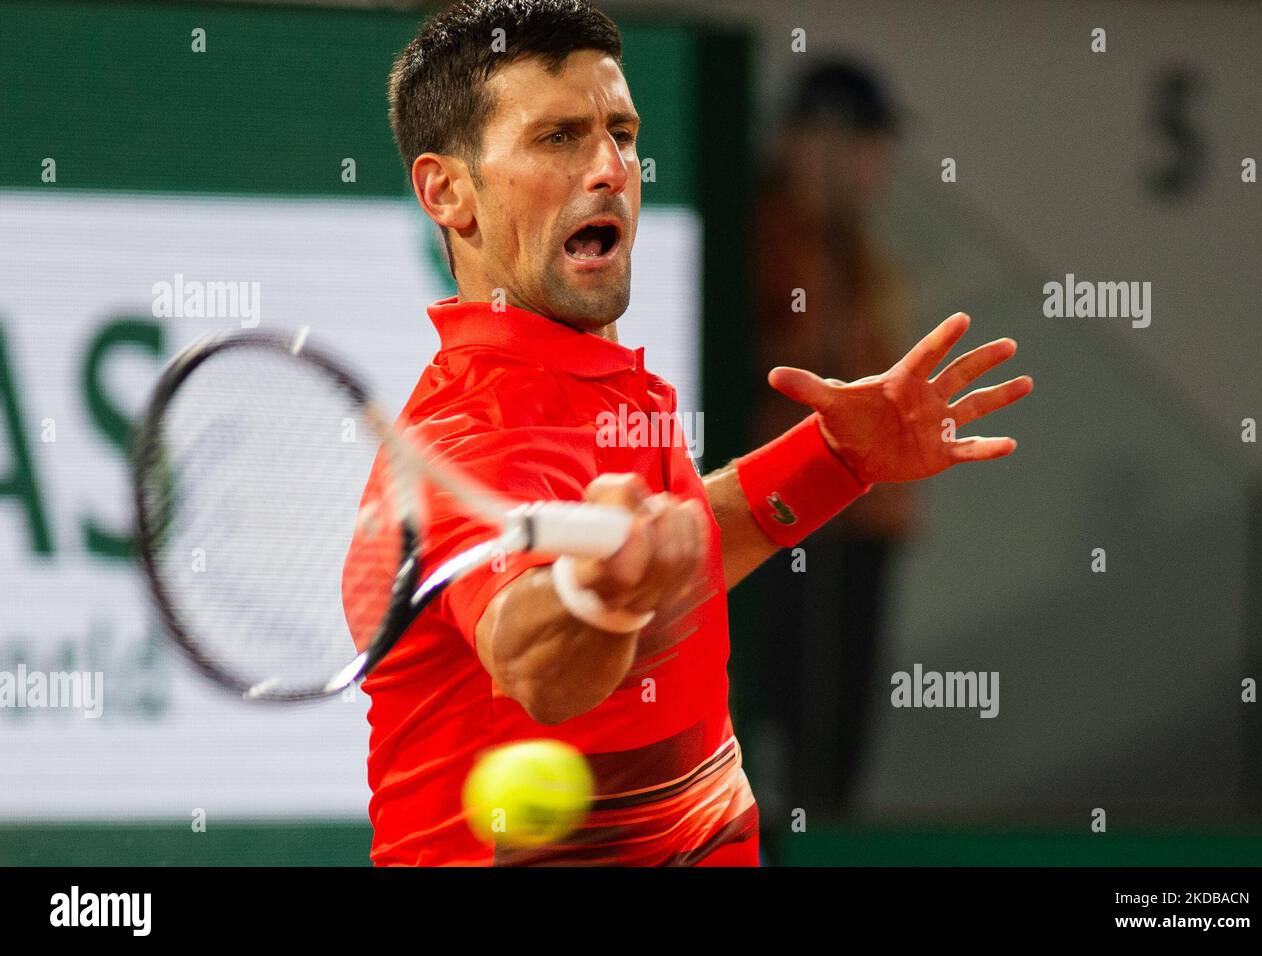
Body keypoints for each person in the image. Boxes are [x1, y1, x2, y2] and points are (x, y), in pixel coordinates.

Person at [344, 0, 1032, 867]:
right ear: (447, 191)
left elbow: (679, 558)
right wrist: (603, 595)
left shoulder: (595, 380)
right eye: (558, 138)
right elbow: (533, 661)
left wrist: (834, 457)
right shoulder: (465, 435)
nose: (610, 168)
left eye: (621, 133)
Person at [750, 62, 916, 820]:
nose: (880, 167)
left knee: (835, 766)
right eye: (868, 145)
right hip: (783, 521)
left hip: (855, 525)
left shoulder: (857, 254)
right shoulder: (765, 239)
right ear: (809, 144)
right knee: (778, 747)